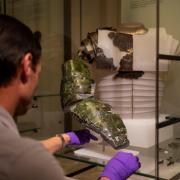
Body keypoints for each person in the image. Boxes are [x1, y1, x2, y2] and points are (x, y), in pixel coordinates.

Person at [0, 14, 140, 180]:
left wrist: (60, 139)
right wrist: (110, 177)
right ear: (26, 66)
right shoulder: (26, 159)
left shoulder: (13, 149)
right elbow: (21, 158)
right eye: (40, 71)